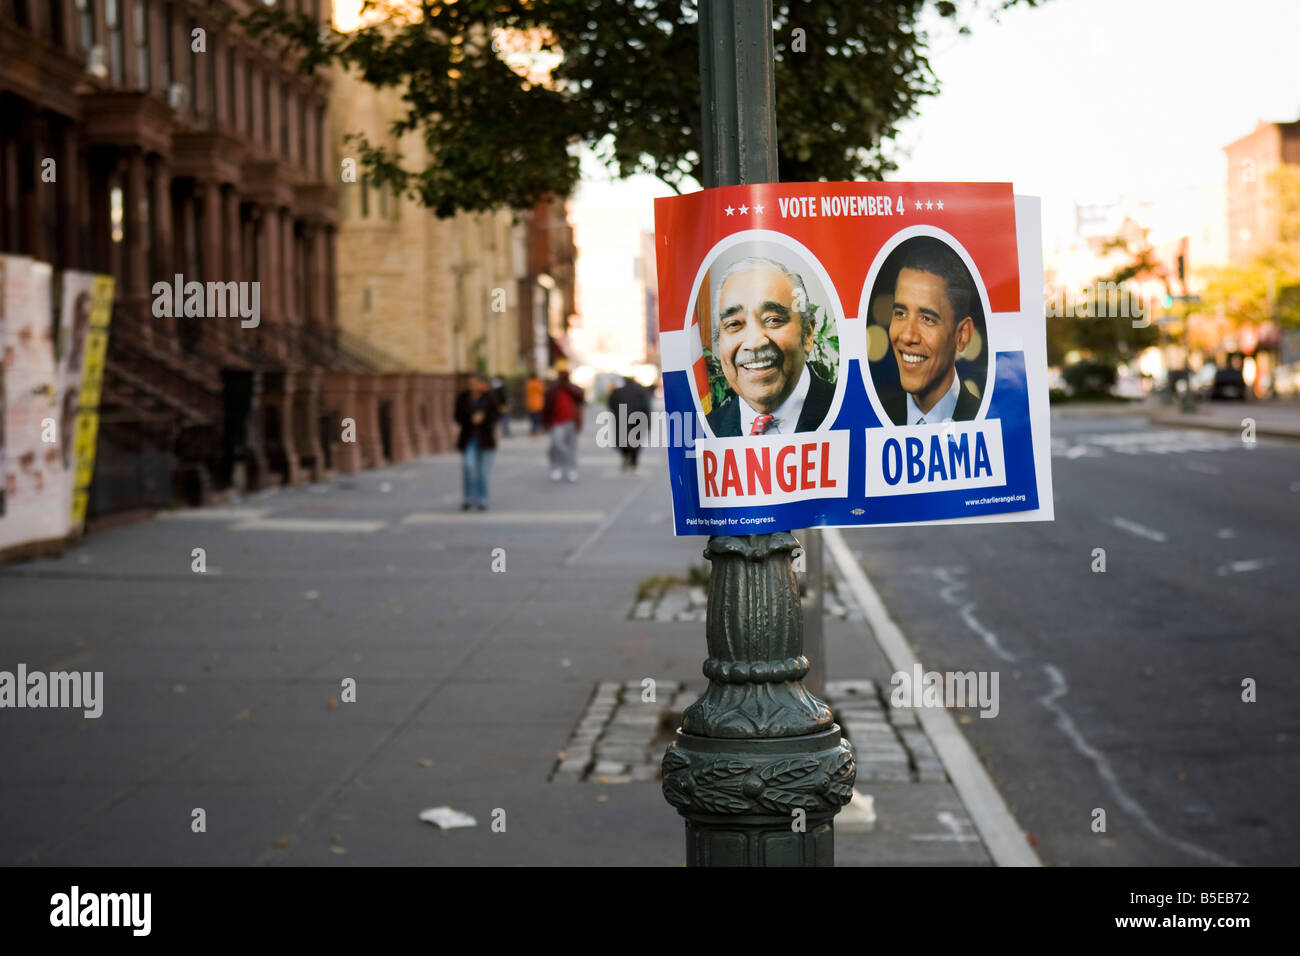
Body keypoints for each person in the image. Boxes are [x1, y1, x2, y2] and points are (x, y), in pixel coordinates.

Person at [705, 256, 835, 437]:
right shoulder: (705, 433)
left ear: (807, 334)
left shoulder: (853, 413)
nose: (754, 342)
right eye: (734, 324)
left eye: (773, 320)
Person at [881, 237, 981, 425]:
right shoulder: (872, 420)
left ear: (962, 335)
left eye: (927, 319)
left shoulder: (987, 419)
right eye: (900, 314)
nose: (908, 336)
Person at [453, 373, 500, 510]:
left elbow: (496, 415)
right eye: (470, 383)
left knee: (483, 471)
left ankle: (482, 499)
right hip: (468, 438)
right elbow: (457, 416)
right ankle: (468, 498)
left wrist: (484, 418)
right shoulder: (463, 398)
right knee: (468, 467)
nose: (472, 386)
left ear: (481, 383)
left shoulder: (489, 397)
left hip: (485, 439)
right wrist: (470, 419)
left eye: (475, 383)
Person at [542, 362, 584, 481]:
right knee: (556, 446)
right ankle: (556, 467)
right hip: (556, 422)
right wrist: (545, 422)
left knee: (571, 447)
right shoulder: (552, 390)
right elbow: (546, 407)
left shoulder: (572, 389)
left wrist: (567, 386)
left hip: (571, 422)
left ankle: (571, 469)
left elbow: (581, 396)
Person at [607, 374, 651, 473]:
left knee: (622, 440)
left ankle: (625, 456)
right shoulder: (640, 390)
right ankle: (634, 463)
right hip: (638, 420)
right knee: (636, 441)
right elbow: (645, 406)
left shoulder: (617, 391)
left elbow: (610, 404)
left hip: (622, 418)